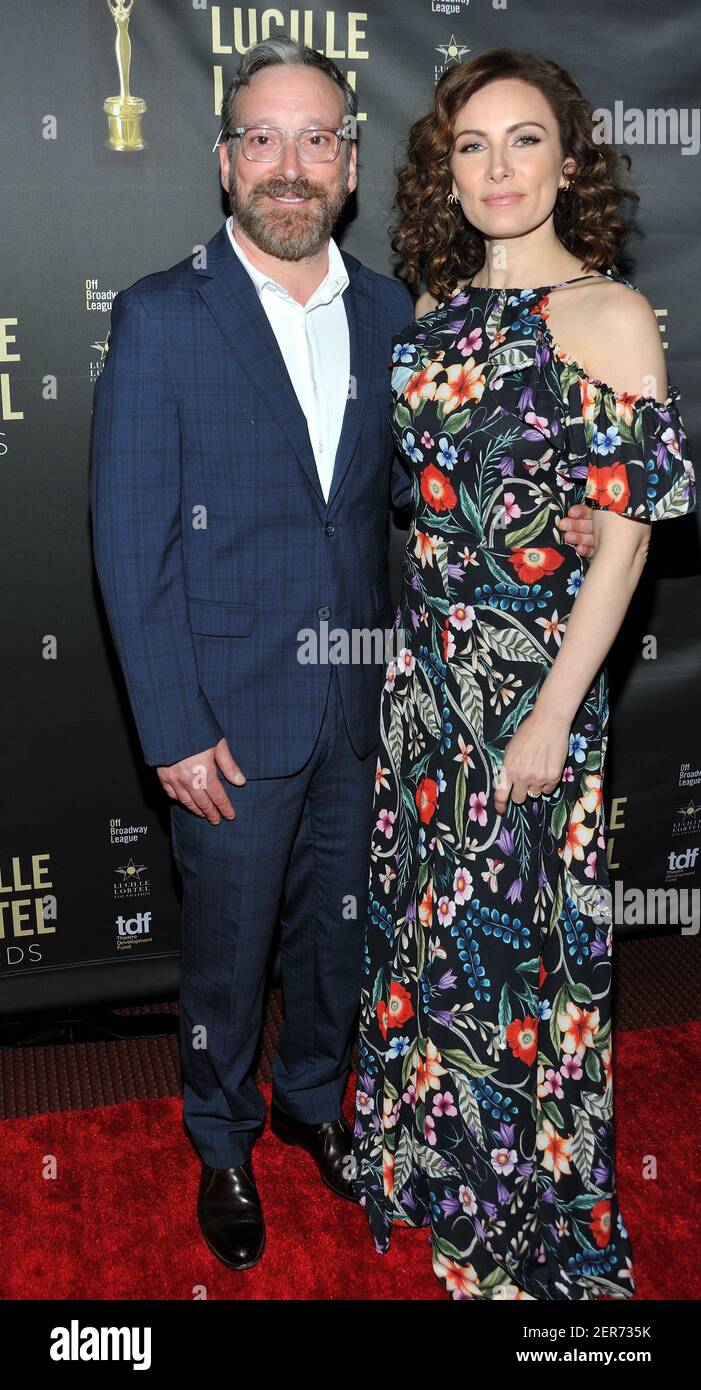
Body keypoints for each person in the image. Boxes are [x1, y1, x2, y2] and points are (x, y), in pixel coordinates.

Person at [89, 36, 594, 1274]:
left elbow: (441, 482)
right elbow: (128, 543)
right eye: (261, 137)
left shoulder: (393, 317)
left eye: (316, 138)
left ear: (351, 168)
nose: (289, 164)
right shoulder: (163, 315)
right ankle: (221, 1137)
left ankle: (317, 1098)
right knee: (226, 946)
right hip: (226, 717)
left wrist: (563, 508)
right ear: (223, 161)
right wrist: (170, 727)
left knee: (335, 934)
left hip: (370, 706)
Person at [351, 47, 697, 1300]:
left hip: (534, 694)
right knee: (434, 945)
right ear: (443, 173)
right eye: (469, 147)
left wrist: (553, 711)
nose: (497, 170)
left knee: (514, 968)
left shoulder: (607, 314)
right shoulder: (431, 318)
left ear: (568, 160)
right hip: (428, 692)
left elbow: (625, 535)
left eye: (524, 141)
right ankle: (450, 1190)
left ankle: (521, 1235)